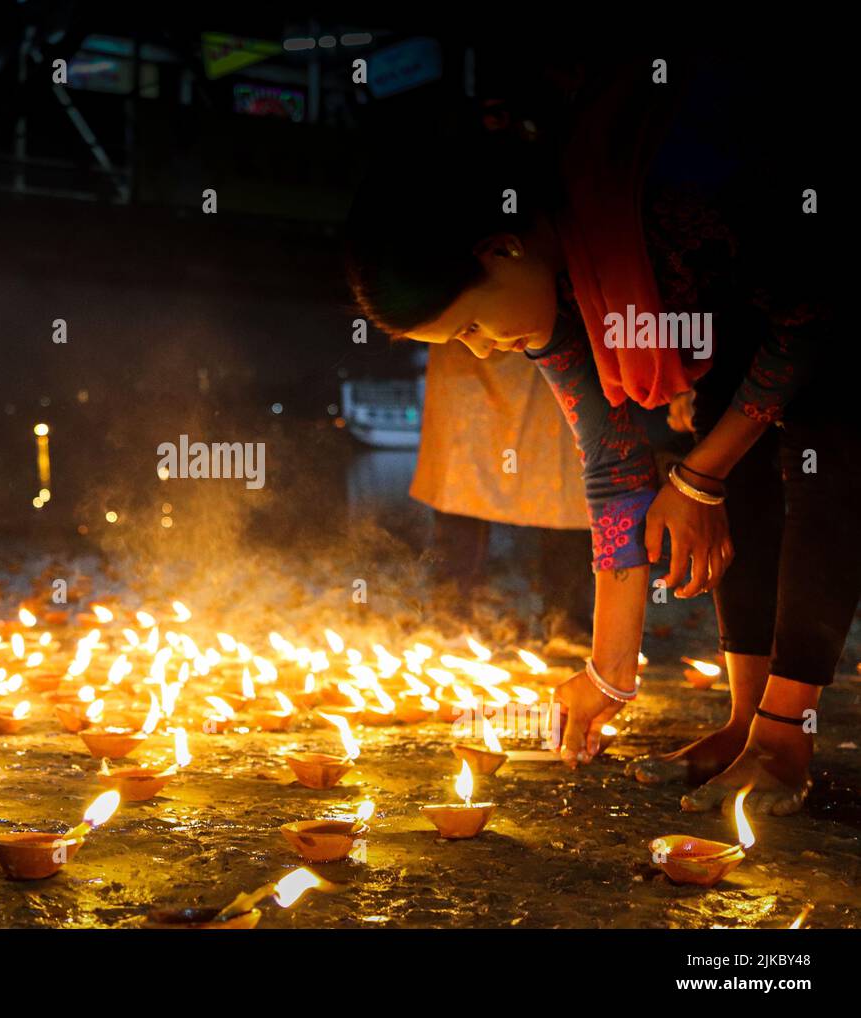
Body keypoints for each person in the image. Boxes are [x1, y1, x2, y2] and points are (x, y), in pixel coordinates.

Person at [345, 55, 850, 816]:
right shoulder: (553, 303)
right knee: (721, 449)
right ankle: (747, 723)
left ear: (502, 249)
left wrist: (696, 477)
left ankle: (785, 735)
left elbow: (810, 328)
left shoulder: (659, 199)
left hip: (823, 284)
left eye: (474, 325)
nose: (484, 348)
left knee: (827, 446)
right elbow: (615, 469)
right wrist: (608, 673)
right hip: (741, 314)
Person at [414, 340, 595, 652]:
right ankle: (448, 617)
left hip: (546, 349)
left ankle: (566, 618)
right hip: (468, 349)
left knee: (565, 481)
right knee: (462, 480)